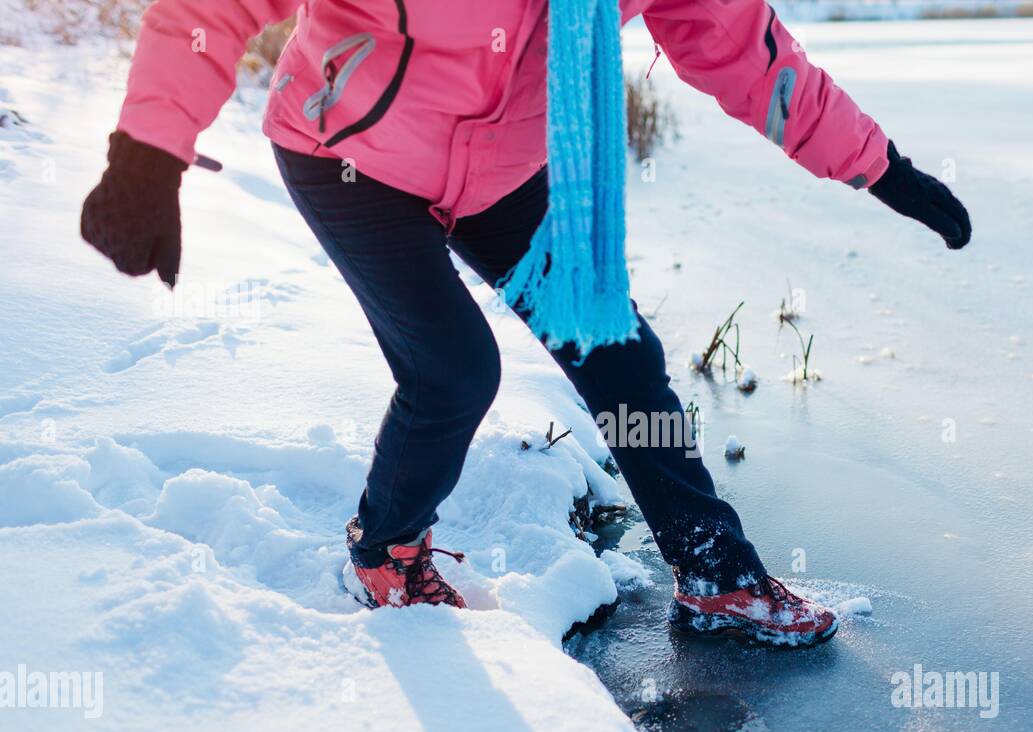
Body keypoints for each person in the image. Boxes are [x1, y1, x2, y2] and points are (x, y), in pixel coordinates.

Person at [80, 0, 971, 647]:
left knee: (622, 357)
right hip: (348, 158)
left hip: (502, 173)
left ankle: (714, 572)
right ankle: (384, 553)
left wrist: (883, 170)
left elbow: (754, 55)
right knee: (453, 369)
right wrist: (146, 156)